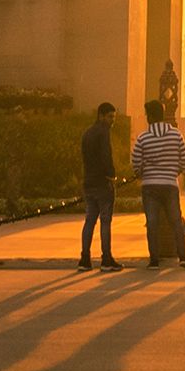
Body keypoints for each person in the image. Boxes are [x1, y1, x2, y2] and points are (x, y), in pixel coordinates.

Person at [133, 98, 185, 267]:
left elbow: (136, 162)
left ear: (149, 116)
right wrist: (174, 171)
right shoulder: (176, 134)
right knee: (175, 220)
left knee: (152, 223)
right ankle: (183, 256)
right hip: (170, 184)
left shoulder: (143, 137)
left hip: (150, 185)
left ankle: (154, 260)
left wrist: (142, 173)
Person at [74, 102, 121, 271]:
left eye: (113, 117)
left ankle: (85, 259)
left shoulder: (87, 133)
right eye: (110, 117)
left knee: (89, 221)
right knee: (105, 222)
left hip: (89, 182)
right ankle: (106, 259)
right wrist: (112, 174)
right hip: (102, 183)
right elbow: (106, 156)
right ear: (101, 115)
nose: (112, 120)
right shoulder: (103, 132)